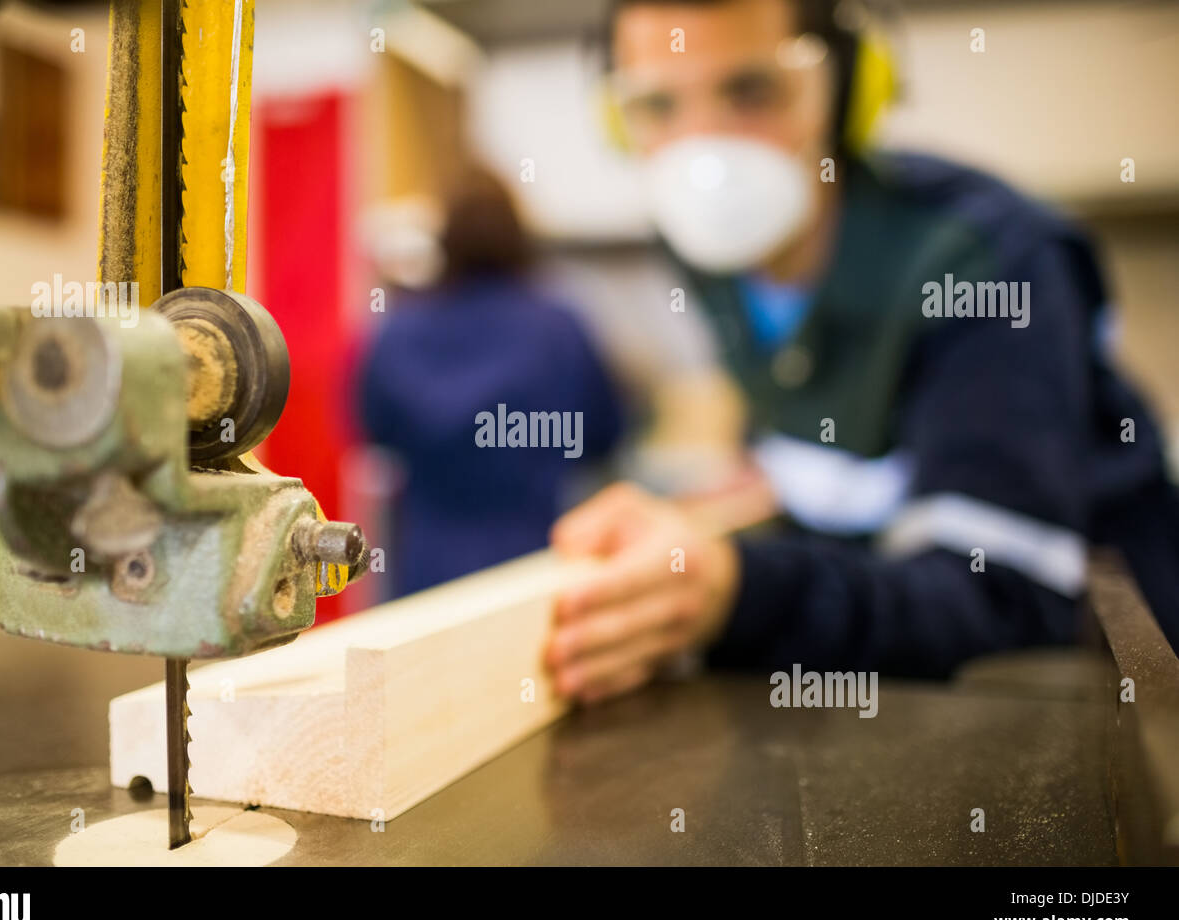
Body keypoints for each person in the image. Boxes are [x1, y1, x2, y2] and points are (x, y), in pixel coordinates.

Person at [544, 0, 1179, 704]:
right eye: (657, 104)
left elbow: (999, 595)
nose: (704, 149)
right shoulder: (709, 257)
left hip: (1123, 700)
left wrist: (739, 591)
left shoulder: (984, 260)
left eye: (750, 91)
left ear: (845, 87)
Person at [358, 168, 625, 596]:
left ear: (444, 239)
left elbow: (372, 431)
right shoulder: (559, 327)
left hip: (425, 567)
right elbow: (605, 433)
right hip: (534, 561)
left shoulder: (400, 329)